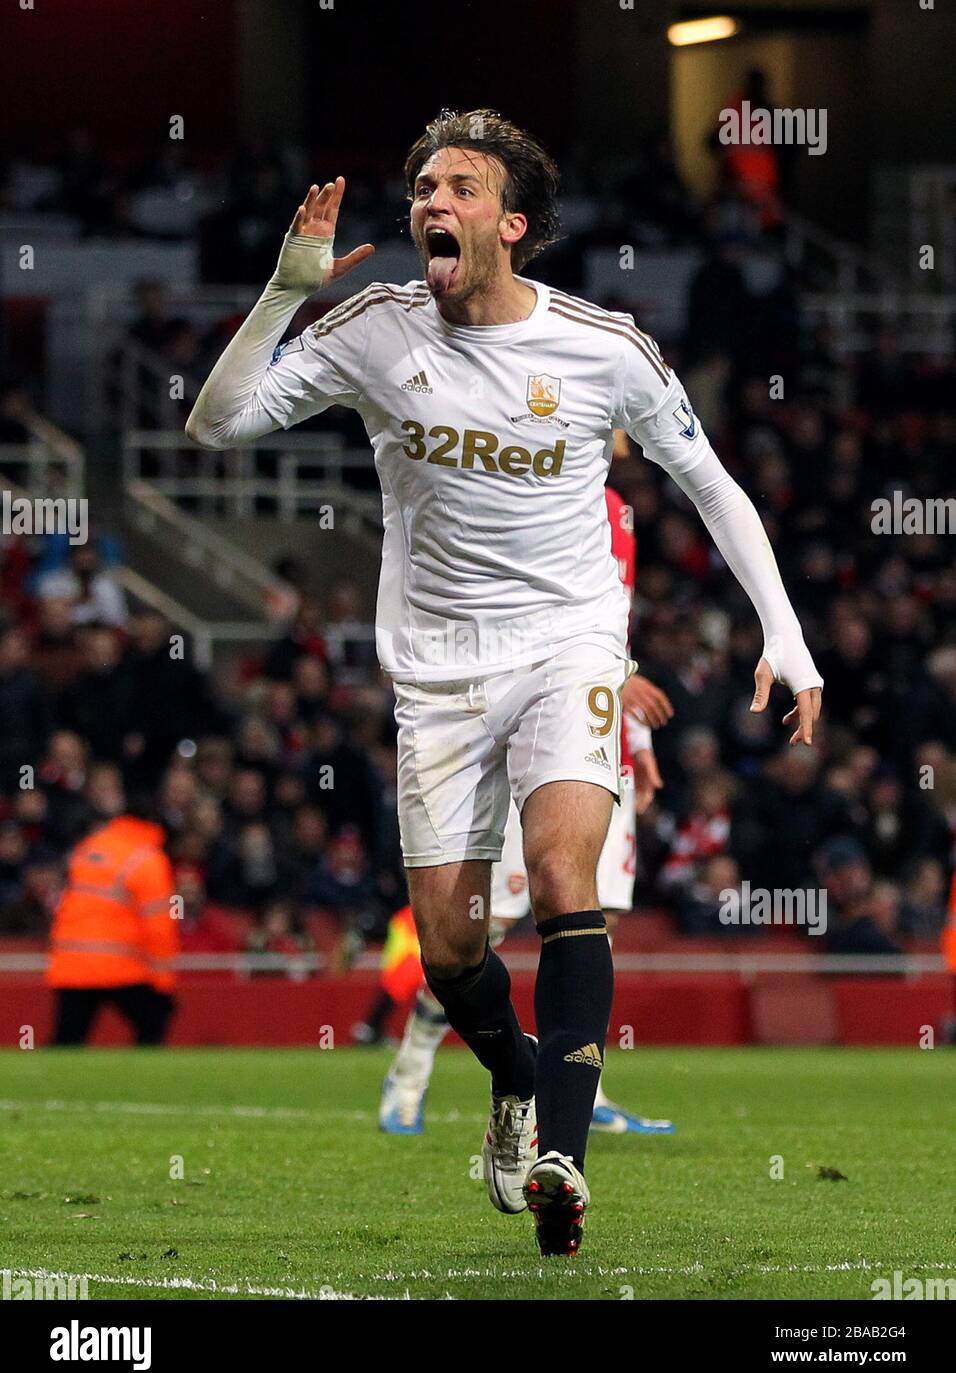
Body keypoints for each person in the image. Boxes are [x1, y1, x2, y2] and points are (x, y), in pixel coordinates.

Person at [186, 110, 823, 1256]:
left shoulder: (599, 348)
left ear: (511, 224)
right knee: (449, 947)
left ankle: (561, 1158)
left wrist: (785, 633)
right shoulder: (374, 330)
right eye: (424, 182)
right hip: (433, 668)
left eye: (461, 187)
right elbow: (217, 421)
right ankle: (517, 1078)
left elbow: (714, 486)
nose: (433, 200)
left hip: (565, 644)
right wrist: (284, 293)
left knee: (563, 869)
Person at [380, 485, 676, 1138]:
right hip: (532, 732)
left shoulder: (617, 507)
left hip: (596, 728)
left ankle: (579, 1081)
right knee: (492, 922)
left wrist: (641, 738)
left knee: (600, 917)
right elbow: (515, 613)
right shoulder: (539, 486)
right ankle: (411, 1069)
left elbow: (611, 625)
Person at [47, 798, 178, 1045]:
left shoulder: (88, 848)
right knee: (154, 1022)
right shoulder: (148, 860)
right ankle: (143, 1078)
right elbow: (160, 925)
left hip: (72, 961)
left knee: (67, 1039)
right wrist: (163, 981)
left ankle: (45, 1081)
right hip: (121, 966)